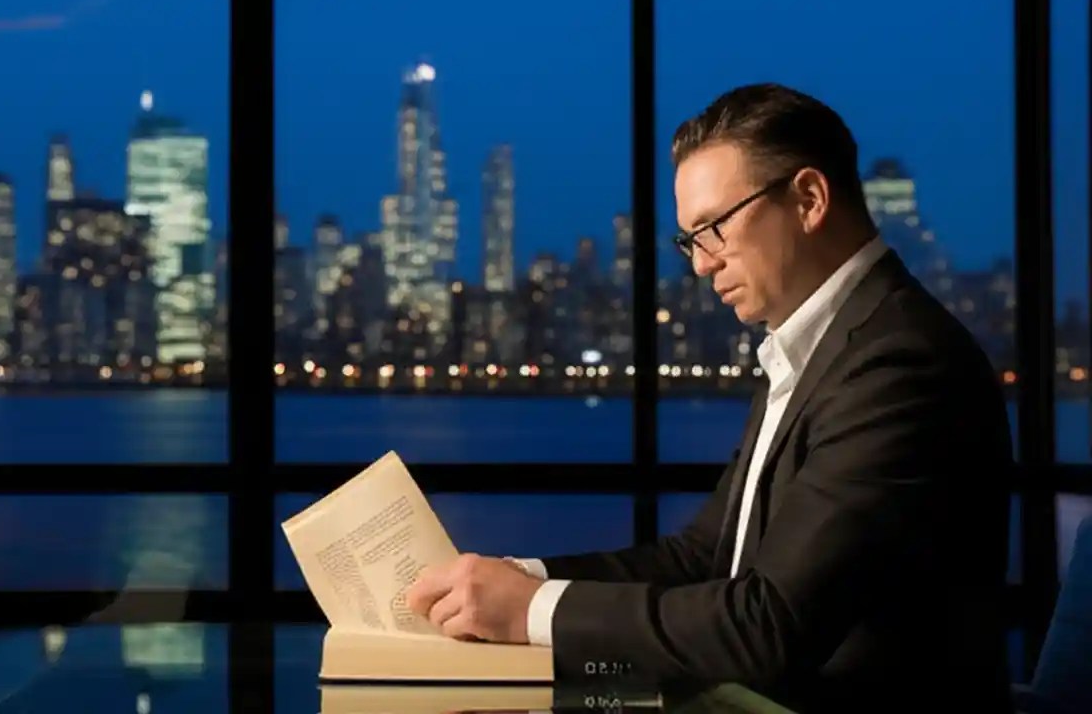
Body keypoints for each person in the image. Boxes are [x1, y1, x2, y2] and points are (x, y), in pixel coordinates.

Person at [407, 82, 1015, 712]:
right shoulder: (814, 351)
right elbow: (702, 557)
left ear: (808, 198)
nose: (701, 264)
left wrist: (531, 610)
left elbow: (769, 623)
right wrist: (520, 578)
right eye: (690, 240)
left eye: (714, 228)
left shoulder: (899, 363)